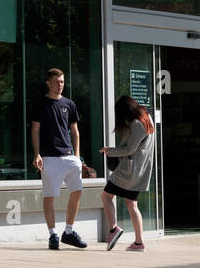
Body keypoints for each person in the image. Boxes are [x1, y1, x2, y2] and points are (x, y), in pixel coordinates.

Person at [31, 67, 94, 249]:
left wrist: (77, 155)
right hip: (49, 157)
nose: (60, 85)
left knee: (77, 191)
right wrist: (37, 154)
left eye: (62, 82)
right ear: (49, 83)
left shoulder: (69, 104)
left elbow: (75, 131)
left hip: (69, 157)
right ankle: (53, 235)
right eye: (57, 82)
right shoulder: (40, 103)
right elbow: (35, 130)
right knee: (49, 196)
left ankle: (69, 231)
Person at [98, 95, 155, 251]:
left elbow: (129, 149)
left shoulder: (137, 124)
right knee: (131, 204)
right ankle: (139, 243)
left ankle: (113, 229)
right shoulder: (146, 118)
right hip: (138, 171)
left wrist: (109, 151)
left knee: (106, 196)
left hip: (128, 171)